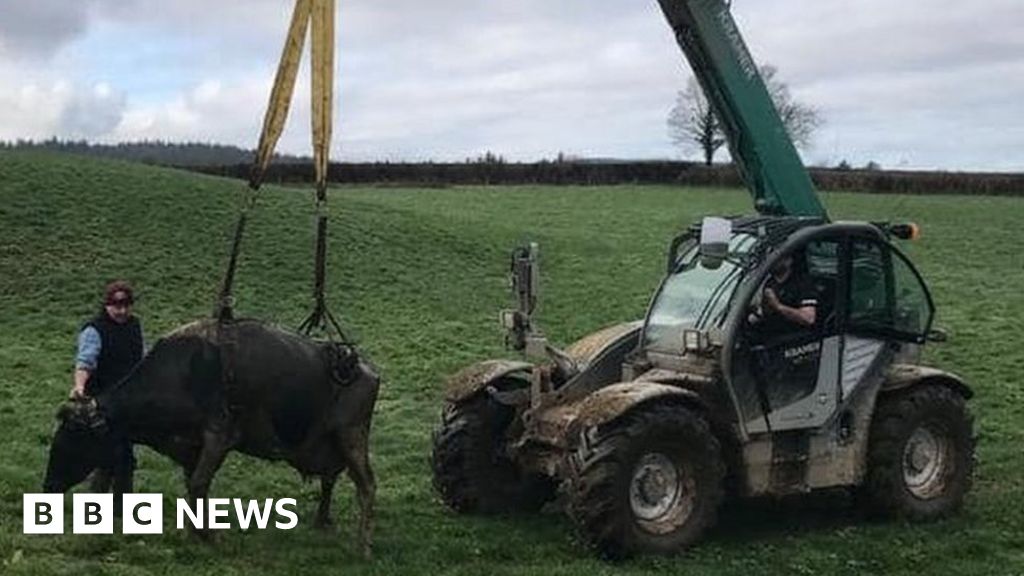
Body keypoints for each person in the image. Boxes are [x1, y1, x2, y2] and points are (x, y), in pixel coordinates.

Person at [70, 280, 145, 497]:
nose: (122, 311)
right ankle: (96, 505)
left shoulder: (134, 325)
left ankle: (122, 504)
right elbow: (86, 361)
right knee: (106, 455)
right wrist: (79, 387)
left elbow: (142, 356)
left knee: (126, 454)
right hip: (101, 402)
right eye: (117, 306)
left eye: (126, 305)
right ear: (107, 305)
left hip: (128, 400)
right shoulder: (94, 330)